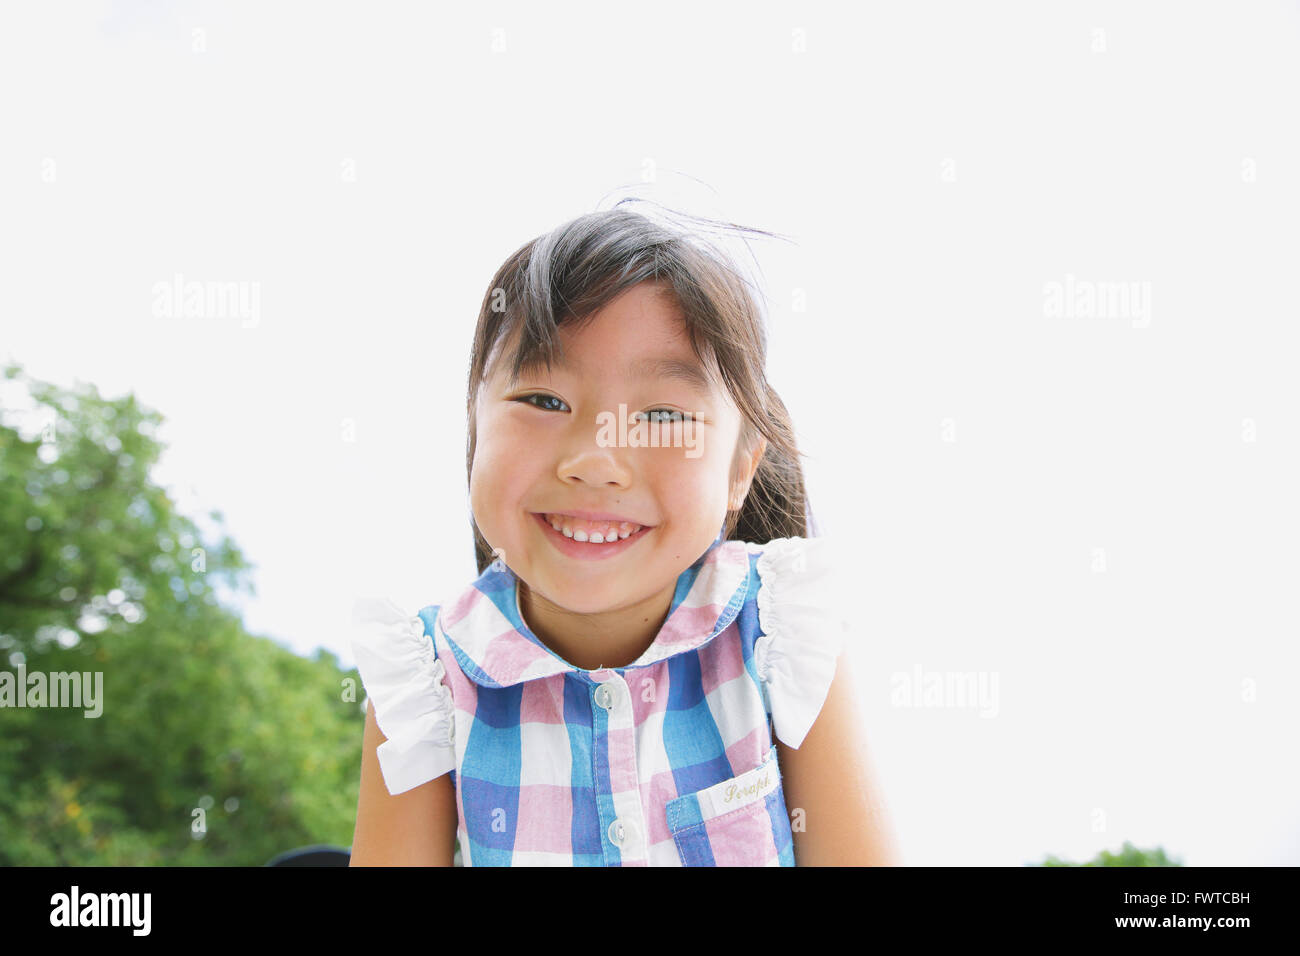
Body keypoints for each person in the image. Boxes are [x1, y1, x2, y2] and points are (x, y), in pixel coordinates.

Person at [348, 201, 901, 866]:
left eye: (663, 415)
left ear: (739, 471)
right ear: (475, 427)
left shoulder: (782, 637)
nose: (594, 462)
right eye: (545, 402)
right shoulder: (426, 687)